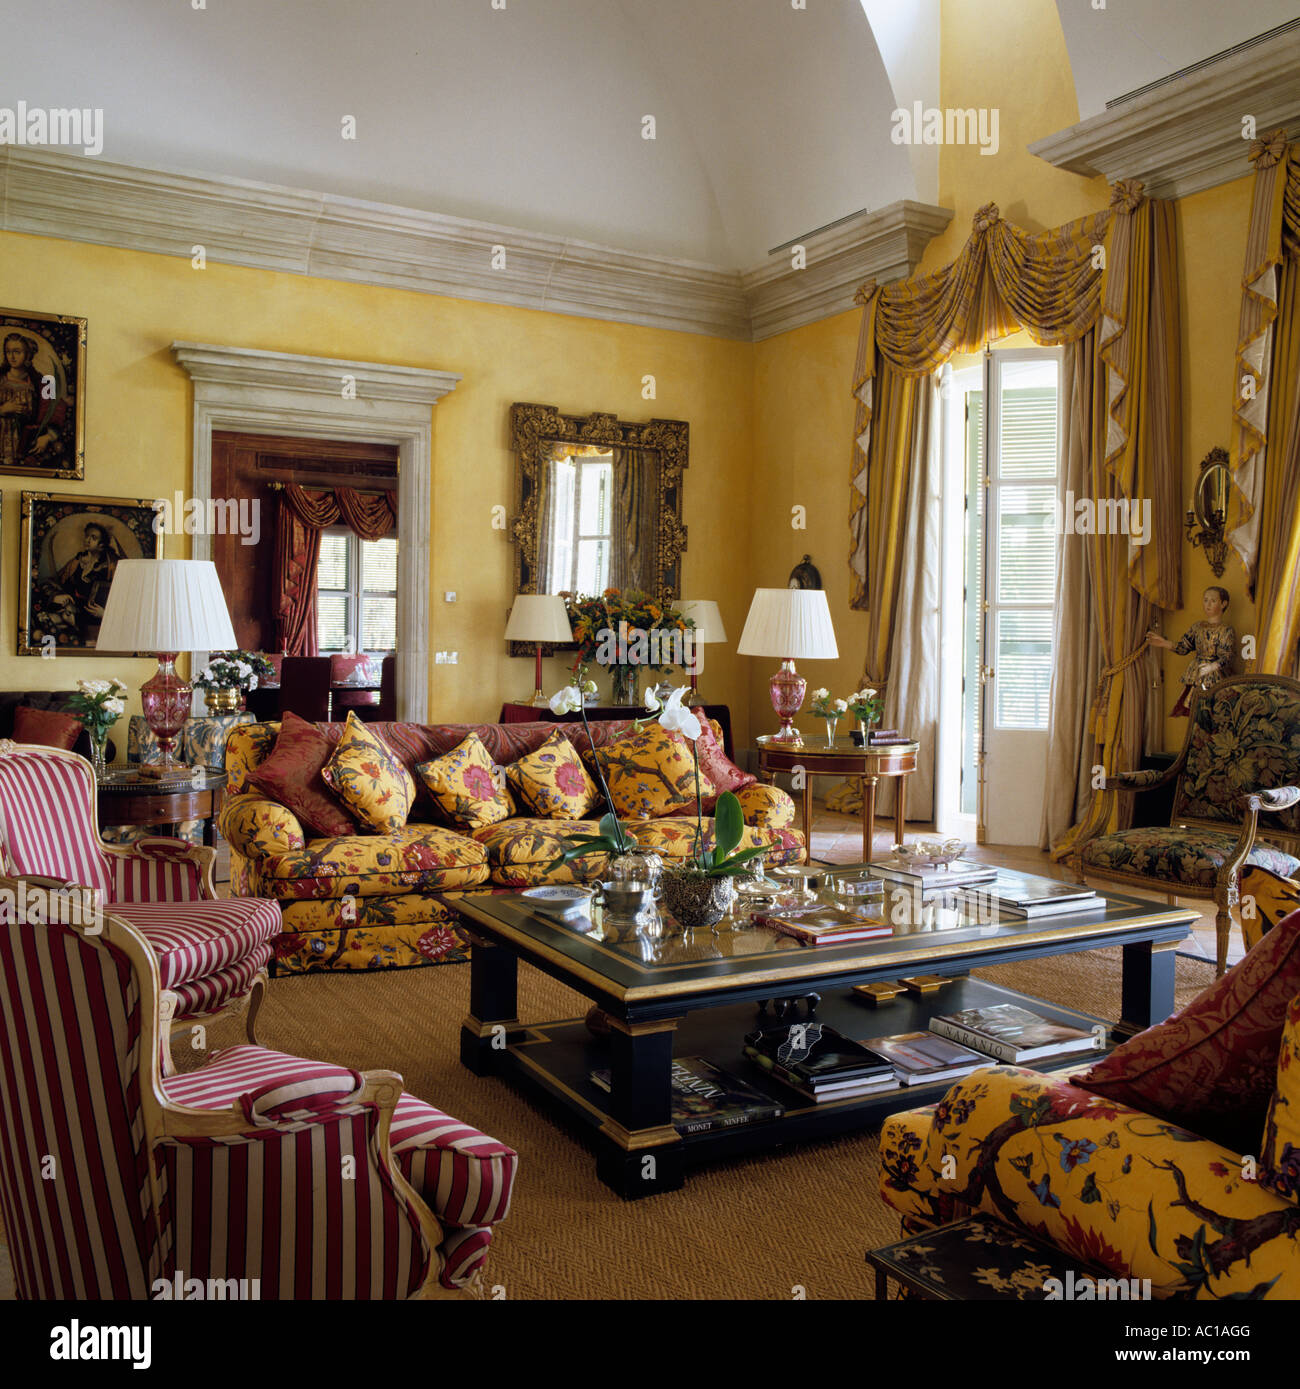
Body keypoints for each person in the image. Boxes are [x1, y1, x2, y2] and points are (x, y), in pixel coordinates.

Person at [1148, 585, 1236, 716]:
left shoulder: (1226, 630)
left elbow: (1227, 656)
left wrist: (1211, 667)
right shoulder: (1197, 627)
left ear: (1223, 604)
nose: (1208, 604)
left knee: (1213, 713)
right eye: (1205, 600)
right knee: (1195, 711)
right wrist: (1164, 643)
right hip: (1196, 674)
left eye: (1213, 601)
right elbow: (1184, 647)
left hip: (1216, 677)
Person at [54, 520, 127, 644]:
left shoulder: (111, 566)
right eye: (87, 536)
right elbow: (57, 582)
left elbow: (125, 595)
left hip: (97, 621)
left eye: (93, 537)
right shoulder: (77, 562)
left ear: (101, 544)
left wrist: (106, 614)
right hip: (72, 614)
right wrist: (60, 597)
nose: (87, 540)